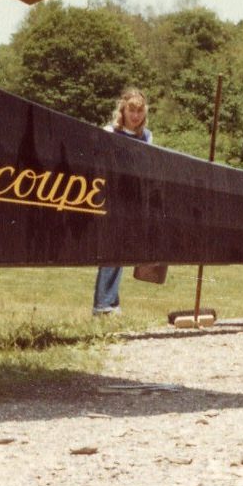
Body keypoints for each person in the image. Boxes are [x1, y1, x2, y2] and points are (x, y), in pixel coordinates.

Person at [93, 87, 152, 316]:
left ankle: (111, 301)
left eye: (139, 111)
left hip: (132, 198)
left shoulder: (146, 137)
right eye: (131, 110)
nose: (135, 115)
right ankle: (103, 305)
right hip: (111, 196)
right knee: (112, 250)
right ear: (123, 110)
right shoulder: (110, 132)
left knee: (121, 251)